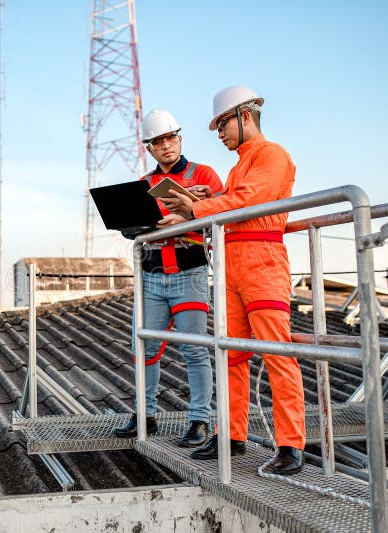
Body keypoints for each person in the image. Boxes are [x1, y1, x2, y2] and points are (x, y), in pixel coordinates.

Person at [159, 87, 306, 475]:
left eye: (222, 124)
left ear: (245, 116)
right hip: (231, 265)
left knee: (276, 353)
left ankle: (290, 445)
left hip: (262, 263)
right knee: (231, 355)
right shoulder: (239, 166)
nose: (219, 133)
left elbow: (249, 200)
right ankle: (232, 435)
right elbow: (237, 196)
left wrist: (196, 207)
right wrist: (208, 197)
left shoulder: (272, 154)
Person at [112, 110, 223, 447]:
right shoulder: (143, 186)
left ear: (180, 138)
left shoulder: (204, 174)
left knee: (195, 349)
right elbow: (131, 230)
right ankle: (144, 414)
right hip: (151, 274)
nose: (165, 146)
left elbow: (227, 214)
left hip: (189, 273)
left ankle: (200, 420)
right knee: (143, 348)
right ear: (149, 148)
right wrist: (132, 226)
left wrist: (192, 211)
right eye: (157, 142)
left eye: (169, 138)